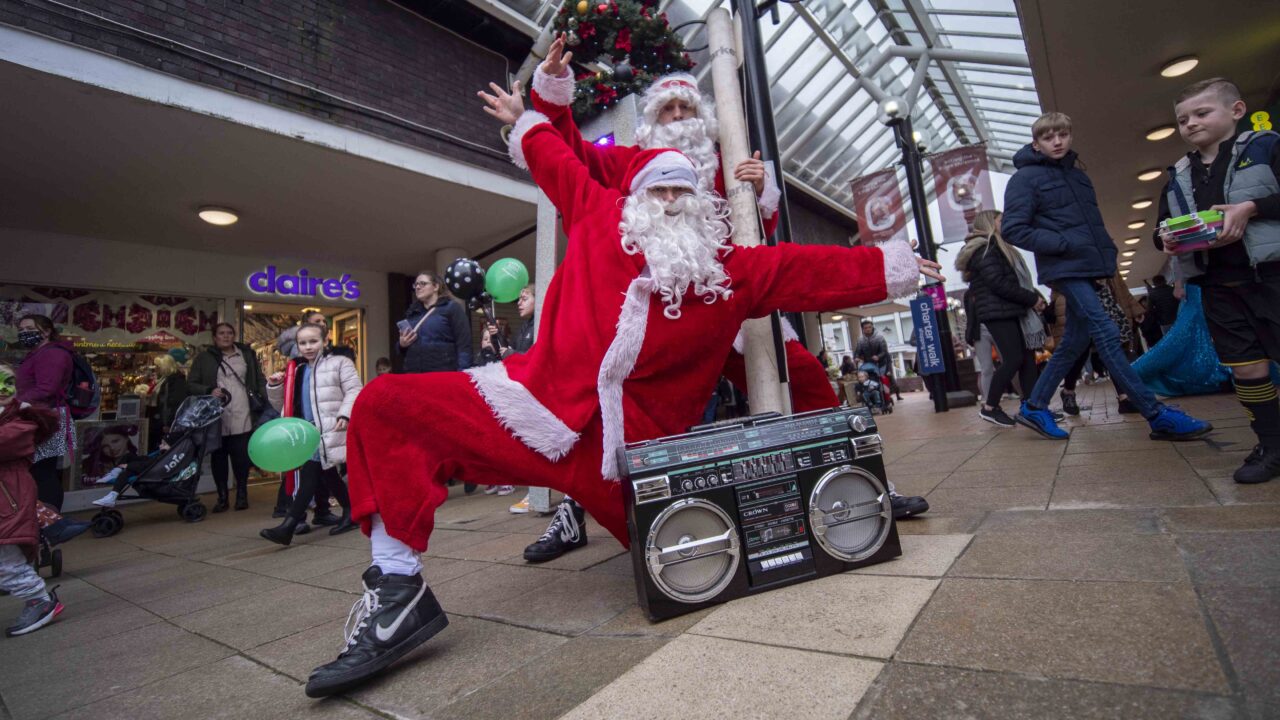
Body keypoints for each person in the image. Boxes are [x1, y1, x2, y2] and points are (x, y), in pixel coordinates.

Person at [297, 114, 936, 698]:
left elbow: (811, 269)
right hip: (531, 411)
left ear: (698, 202)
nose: (668, 200)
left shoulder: (730, 270)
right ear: (634, 197)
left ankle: (837, 506)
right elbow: (554, 158)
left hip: (630, 462)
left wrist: (895, 265)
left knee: (693, 561)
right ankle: (399, 589)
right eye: (657, 188)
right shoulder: (598, 215)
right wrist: (531, 109)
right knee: (385, 405)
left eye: (681, 190)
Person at [484, 46, 930, 545]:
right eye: (668, 111)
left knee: (803, 378)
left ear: (703, 118)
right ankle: (578, 512)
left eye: (687, 110)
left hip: (726, 305)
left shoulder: (727, 168)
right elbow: (570, 156)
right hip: (654, 324)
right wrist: (553, 96)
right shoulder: (633, 163)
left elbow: (764, 249)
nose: (678, 119)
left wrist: (761, 195)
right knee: (597, 400)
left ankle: (869, 485)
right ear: (653, 121)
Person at [1001, 111, 1211, 441]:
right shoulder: (1025, 179)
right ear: (1036, 143)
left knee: (1074, 341)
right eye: (1048, 137)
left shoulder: (1079, 177)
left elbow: (1090, 223)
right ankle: (1154, 413)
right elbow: (1014, 228)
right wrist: (1062, 243)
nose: (1057, 141)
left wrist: (1107, 254)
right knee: (1107, 331)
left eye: (1062, 134)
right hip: (1065, 267)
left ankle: (1035, 406)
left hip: (1089, 267)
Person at [1155, 78, 1280, 483]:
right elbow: (1161, 229)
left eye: (1202, 113)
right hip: (1217, 285)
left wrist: (1252, 207)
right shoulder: (1177, 175)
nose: (1190, 123)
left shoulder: (1266, 147)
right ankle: (1272, 445)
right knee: (1247, 369)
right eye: (1182, 119)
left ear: (1236, 111)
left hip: (1271, 275)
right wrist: (1167, 239)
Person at [259, 323, 362, 544]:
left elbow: (354, 390)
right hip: (305, 433)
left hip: (329, 429)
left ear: (325, 342)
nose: (308, 347)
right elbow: (283, 406)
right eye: (303, 343)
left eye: (313, 341)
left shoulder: (339, 363)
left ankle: (288, 525)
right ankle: (351, 512)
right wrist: (275, 387)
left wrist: (345, 414)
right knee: (328, 474)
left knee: (309, 475)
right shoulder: (297, 369)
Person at [956, 210, 1046, 427]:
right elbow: (999, 283)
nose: (1004, 223)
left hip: (1007, 309)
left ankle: (1032, 407)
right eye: (1000, 220)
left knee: (1025, 359)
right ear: (990, 223)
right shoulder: (986, 249)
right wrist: (1031, 298)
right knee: (1014, 358)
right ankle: (990, 407)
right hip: (998, 312)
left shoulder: (992, 247)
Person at [0, 364, 64, 637]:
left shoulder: (22, 421)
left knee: (6, 559)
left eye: (8, 382)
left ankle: (39, 599)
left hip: (8, 496)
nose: (3, 389)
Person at [188, 322, 268, 512]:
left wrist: (267, 397)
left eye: (229, 333)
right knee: (219, 457)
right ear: (215, 337)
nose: (226, 336)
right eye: (221, 333)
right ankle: (222, 497)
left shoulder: (246, 354)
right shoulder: (204, 358)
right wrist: (208, 390)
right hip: (216, 415)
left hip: (242, 412)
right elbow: (191, 383)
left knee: (241, 457)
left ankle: (242, 494)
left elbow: (258, 380)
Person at [1051, 272, 1146, 415]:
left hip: (1107, 305)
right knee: (1079, 354)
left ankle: (1124, 397)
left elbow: (1119, 285)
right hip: (1077, 305)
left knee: (1112, 350)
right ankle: (1068, 390)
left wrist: (1134, 308)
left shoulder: (1102, 255)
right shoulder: (1066, 255)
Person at [14, 315, 74, 511]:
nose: (24, 333)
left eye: (30, 328)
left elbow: (46, 389)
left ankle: (50, 521)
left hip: (47, 419)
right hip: (40, 416)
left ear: (46, 331)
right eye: (21, 329)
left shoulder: (52, 354)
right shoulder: (38, 353)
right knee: (39, 470)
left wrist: (13, 403)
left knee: (43, 471)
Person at [1134, 284, 1233, 396]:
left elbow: (1155, 307)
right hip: (1213, 292)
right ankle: (1226, 372)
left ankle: (1134, 372)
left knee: (1181, 343)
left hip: (1174, 315)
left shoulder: (1154, 294)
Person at [399, 272, 471, 374]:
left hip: (442, 374)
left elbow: (464, 344)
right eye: (416, 284)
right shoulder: (412, 313)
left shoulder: (452, 308)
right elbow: (404, 348)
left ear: (436, 286)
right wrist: (402, 344)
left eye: (422, 283)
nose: (418, 287)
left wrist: (462, 374)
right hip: (414, 375)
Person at [152, 354, 189, 437]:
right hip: (165, 422)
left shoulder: (174, 381)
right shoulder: (166, 380)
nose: (155, 369)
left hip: (170, 424)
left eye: (158, 366)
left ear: (164, 367)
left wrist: (168, 423)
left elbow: (174, 403)